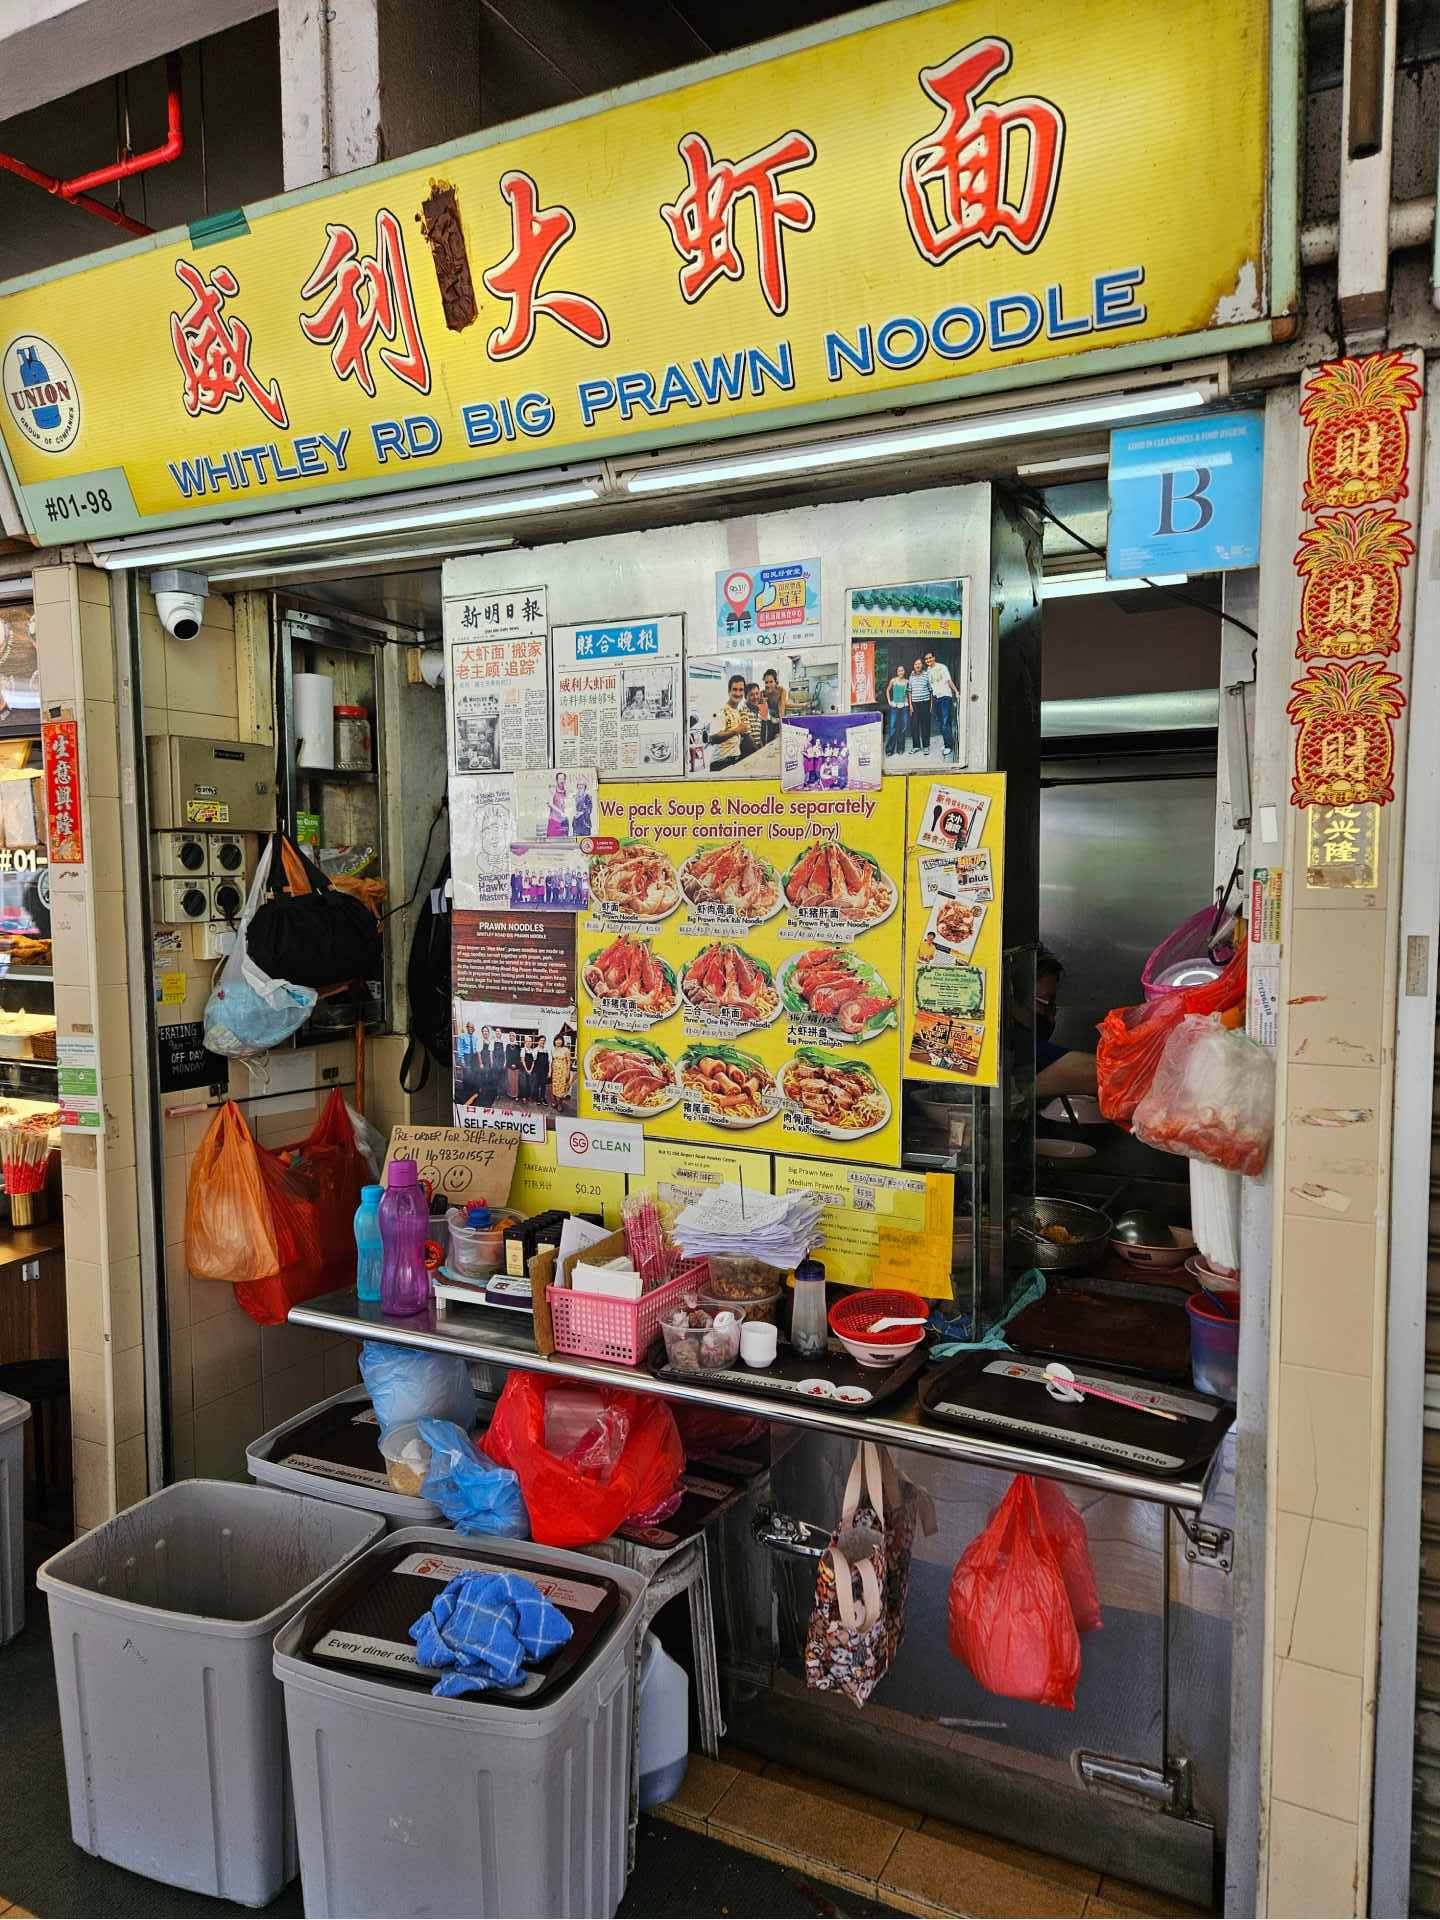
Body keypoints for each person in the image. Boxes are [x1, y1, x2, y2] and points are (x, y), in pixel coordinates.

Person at [1032, 947, 1098, 1099]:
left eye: (1052, 1004)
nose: (1050, 1018)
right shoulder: (1020, 1054)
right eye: (1042, 1002)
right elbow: (1104, 1074)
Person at [708, 674, 751, 770]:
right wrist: (737, 731)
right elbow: (712, 739)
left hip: (734, 760)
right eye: (734, 689)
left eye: (741, 690)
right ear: (729, 691)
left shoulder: (737, 711)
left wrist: (742, 734)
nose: (738, 693)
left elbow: (733, 736)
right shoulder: (721, 710)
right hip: (721, 763)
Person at [925, 651, 958, 755]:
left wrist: (956, 691)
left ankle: (949, 746)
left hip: (945, 696)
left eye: (930, 658)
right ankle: (947, 742)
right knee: (940, 722)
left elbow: (949, 681)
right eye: (926, 659)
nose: (928, 660)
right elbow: (931, 687)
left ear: (934, 658)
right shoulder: (928, 670)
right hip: (936, 698)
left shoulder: (942, 667)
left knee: (945, 722)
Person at [907, 656, 932, 752]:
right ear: (914, 666)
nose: (917, 665)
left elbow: (930, 691)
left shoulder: (926, 675)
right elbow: (909, 691)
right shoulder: (911, 676)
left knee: (925, 724)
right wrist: (910, 705)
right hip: (914, 704)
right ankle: (916, 746)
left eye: (919, 664)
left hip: (925, 703)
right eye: (915, 664)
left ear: (922, 665)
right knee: (914, 725)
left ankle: (926, 746)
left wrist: (930, 705)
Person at [884, 666, 909, 755]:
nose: (901, 672)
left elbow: (908, 693)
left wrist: (908, 702)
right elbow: (887, 690)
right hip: (894, 706)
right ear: (897, 672)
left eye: (902, 670)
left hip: (904, 706)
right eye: (899, 670)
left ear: (904, 671)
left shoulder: (907, 682)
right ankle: (890, 750)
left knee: (903, 727)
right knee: (892, 727)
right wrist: (889, 701)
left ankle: (900, 748)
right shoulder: (893, 680)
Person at [760, 666, 786, 745]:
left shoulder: (781, 690)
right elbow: (763, 716)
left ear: (776, 682)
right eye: (766, 682)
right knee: (768, 743)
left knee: (778, 740)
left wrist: (781, 729)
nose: (768, 685)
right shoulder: (763, 693)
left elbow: (782, 708)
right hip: (769, 721)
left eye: (771, 682)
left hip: (779, 720)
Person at [741, 683, 765, 757]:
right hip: (748, 751)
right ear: (745, 696)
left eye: (757, 693)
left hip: (756, 749)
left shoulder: (759, 711)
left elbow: (758, 736)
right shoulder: (743, 710)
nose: (755, 697)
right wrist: (759, 752)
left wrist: (763, 749)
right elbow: (748, 736)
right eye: (751, 695)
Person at [504, 1029, 522, 1101]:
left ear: (515, 1037)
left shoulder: (518, 1046)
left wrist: (516, 1064)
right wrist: (510, 1064)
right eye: (510, 1036)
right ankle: (510, 1094)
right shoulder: (507, 1046)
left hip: (517, 1066)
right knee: (510, 1081)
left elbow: (519, 1057)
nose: (511, 1037)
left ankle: (516, 1095)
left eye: (513, 1036)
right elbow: (507, 1056)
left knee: (516, 1081)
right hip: (509, 1066)